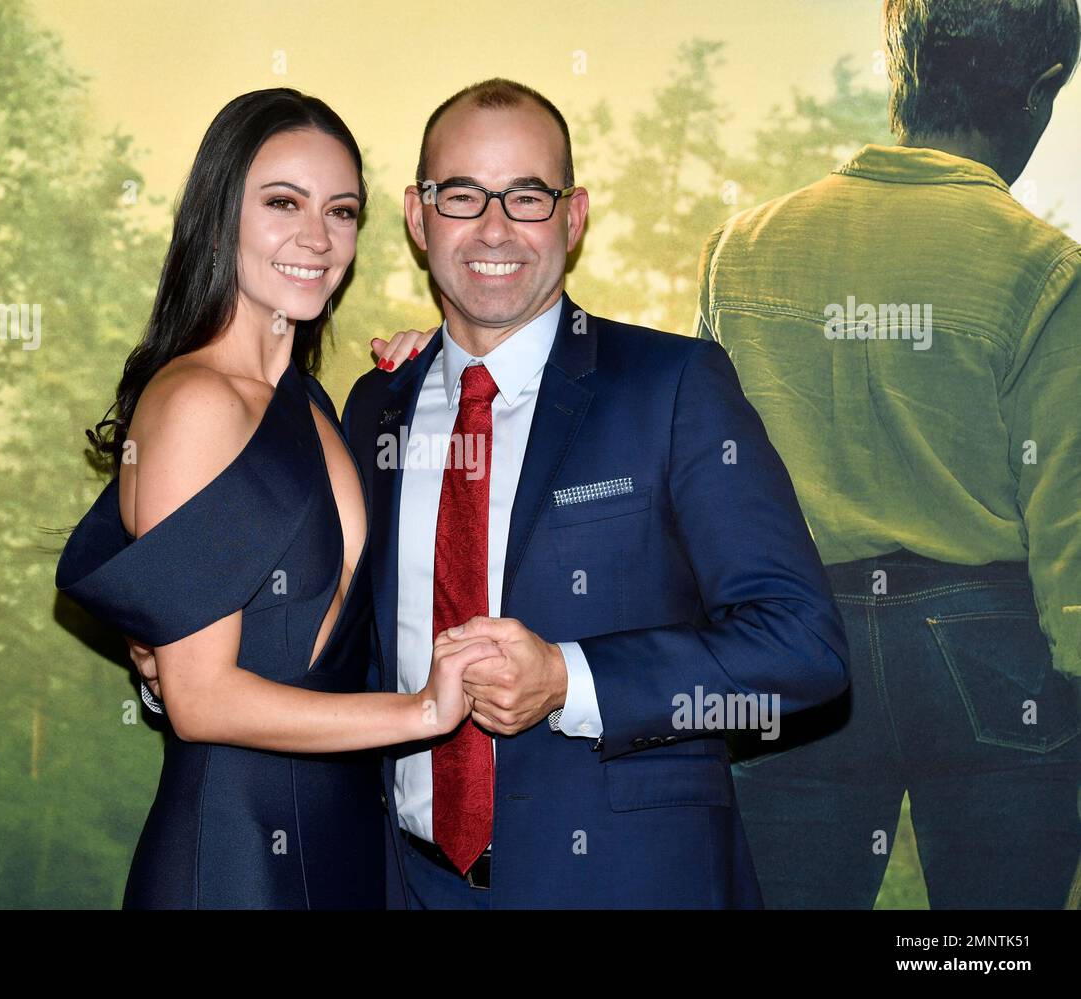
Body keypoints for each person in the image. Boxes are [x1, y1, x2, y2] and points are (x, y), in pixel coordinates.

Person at [336, 78, 848, 908]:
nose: (494, 227)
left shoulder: (674, 387)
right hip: (407, 884)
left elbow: (803, 647)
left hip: (629, 883)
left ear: (572, 218)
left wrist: (568, 679)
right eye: (463, 194)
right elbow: (352, 643)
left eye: (527, 196)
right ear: (417, 214)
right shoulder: (377, 405)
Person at [695, 0, 1081, 907]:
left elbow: (709, 489)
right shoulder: (1045, 268)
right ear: (1037, 94)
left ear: (896, 72)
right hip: (992, 650)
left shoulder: (740, 251)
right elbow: (1070, 520)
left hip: (792, 647)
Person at [55, 87, 463, 910]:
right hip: (235, 856)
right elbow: (201, 699)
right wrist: (422, 711)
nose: (317, 238)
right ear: (219, 214)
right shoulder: (199, 401)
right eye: (284, 203)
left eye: (341, 211)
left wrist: (435, 367)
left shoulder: (309, 401)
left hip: (341, 842)